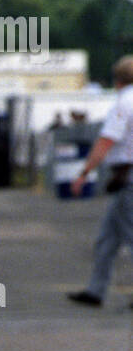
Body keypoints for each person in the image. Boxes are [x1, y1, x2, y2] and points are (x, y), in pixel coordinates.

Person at [67, 55, 133, 309]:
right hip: (124, 178)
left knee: (127, 235)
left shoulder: (123, 102)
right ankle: (96, 290)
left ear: (118, 78)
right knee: (107, 238)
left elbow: (106, 140)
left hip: (126, 176)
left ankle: (96, 290)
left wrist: (84, 172)